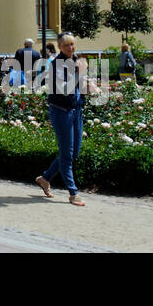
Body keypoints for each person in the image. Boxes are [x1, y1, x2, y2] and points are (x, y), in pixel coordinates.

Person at [35, 33, 93, 206]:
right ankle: (73, 193)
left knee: (74, 153)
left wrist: (89, 84)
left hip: (76, 110)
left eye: (73, 44)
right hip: (61, 112)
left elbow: (80, 85)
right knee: (67, 154)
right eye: (67, 45)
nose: (71, 48)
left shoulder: (77, 61)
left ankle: (45, 179)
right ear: (60, 47)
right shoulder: (56, 65)